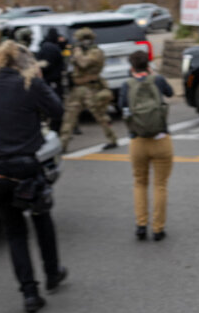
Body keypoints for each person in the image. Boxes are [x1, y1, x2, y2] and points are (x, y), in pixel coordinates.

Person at [0, 41, 68, 313]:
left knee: (14, 233)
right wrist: (39, 81)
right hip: (25, 168)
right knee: (42, 220)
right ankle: (52, 272)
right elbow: (58, 110)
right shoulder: (30, 84)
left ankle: (29, 293)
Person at [119, 50, 175, 241]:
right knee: (160, 185)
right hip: (161, 140)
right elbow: (170, 92)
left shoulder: (127, 85)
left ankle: (141, 225)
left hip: (138, 141)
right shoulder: (157, 80)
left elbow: (122, 106)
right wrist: (153, 75)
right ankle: (158, 229)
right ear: (148, 64)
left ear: (131, 67)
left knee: (140, 183)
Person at [60, 27, 117, 152]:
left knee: (100, 115)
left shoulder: (95, 52)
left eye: (80, 40)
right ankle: (62, 144)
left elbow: (84, 63)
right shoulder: (83, 52)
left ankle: (112, 139)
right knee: (69, 116)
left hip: (91, 88)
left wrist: (77, 52)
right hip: (78, 88)